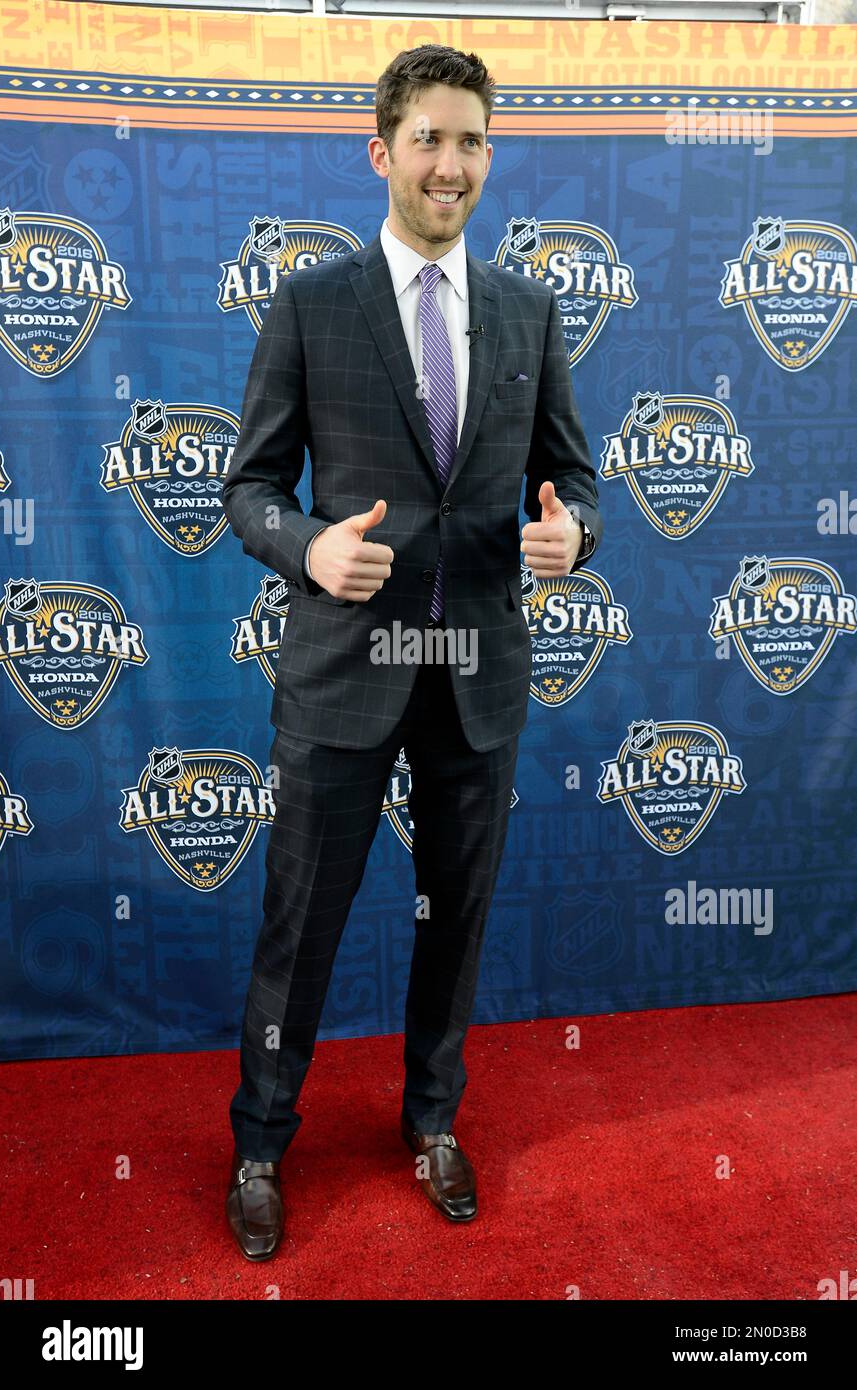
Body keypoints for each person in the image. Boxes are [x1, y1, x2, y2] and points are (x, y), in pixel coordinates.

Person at [221, 42, 602, 1261]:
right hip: (343, 673)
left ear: (490, 155)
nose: (452, 163)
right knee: (302, 922)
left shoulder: (531, 312)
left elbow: (580, 482)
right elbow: (248, 488)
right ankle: (261, 1143)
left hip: (477, 674)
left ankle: (432, 1121)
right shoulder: (310, 304)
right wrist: (309, 551)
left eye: (472, 139)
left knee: (459, 915)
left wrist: (571, 533)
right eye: (429, 138)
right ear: (380, 152)